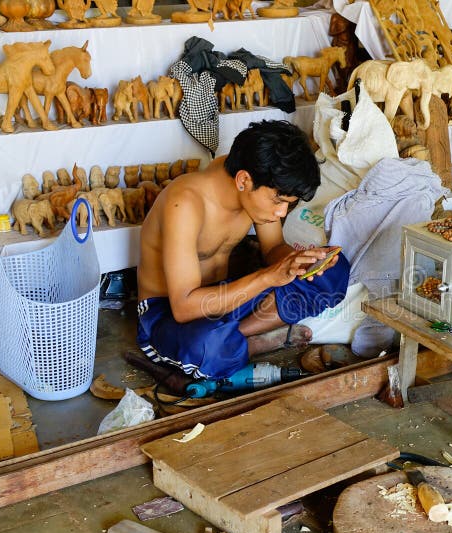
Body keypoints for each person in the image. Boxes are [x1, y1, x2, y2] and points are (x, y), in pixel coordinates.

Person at [136, 120, 350, 380]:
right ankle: (249, 342)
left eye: (288, 204)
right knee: (205, 347)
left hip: (226, 296)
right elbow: (183, 308)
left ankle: (237, 337)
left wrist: (299, 263)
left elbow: (273, 249)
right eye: (278, 201)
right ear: (244, 180)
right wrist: (268, 277)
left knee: (334, 269)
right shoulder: (185, 204)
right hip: (169, 313)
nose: (282, 213)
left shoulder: (256, 181)